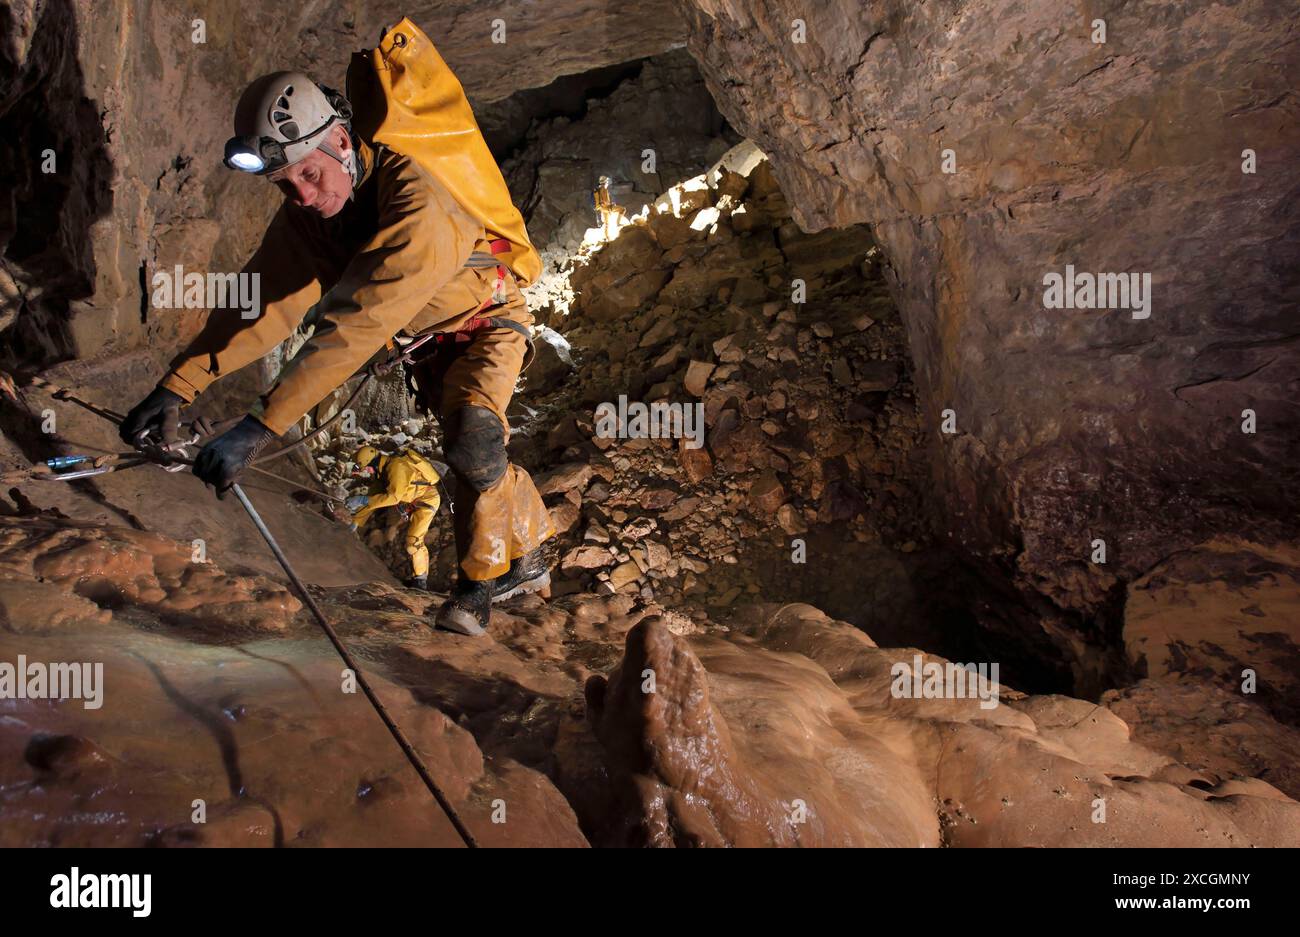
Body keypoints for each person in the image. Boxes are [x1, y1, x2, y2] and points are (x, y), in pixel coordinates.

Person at [119, 68, 553, 635]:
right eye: (285, 184)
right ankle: (531, 558)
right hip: (425, 348)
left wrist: (260, 425)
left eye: (310, 173)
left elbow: (358, 323)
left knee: (472, 439)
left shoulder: (419, 201)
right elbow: (262, 302)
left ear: (343, 142)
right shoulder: (308, 216)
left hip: (488, 322)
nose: (302, 195)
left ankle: (477, 588)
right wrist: (179, 383)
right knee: (475, 448)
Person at [347, 445, 441, 590]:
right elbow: (373, 499)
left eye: (365, 468)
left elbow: (394, 497)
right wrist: (356, 522)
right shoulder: (382, 473)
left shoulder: (396, 466)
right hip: (412, 502)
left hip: (427, 500)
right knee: (404, 539)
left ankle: (420, 582)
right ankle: (415, 577)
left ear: (371, 462)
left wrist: (362, 500)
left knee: (413, 542)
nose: (365, 471)